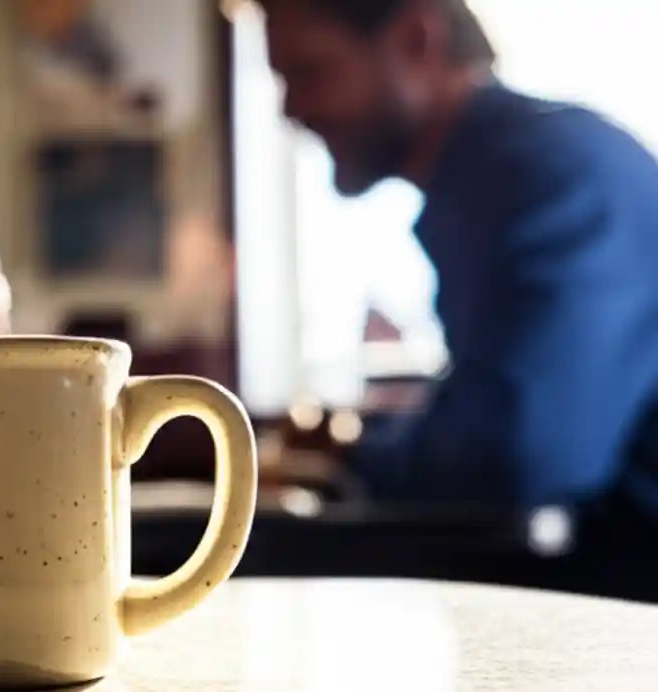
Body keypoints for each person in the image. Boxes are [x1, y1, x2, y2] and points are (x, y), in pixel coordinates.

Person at [257, 0, 658, 596]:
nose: (292, 110)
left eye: (310, 73)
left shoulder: (552, 176)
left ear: (416, 42)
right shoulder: (506, 177)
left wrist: (349, 454)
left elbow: (514, 455)